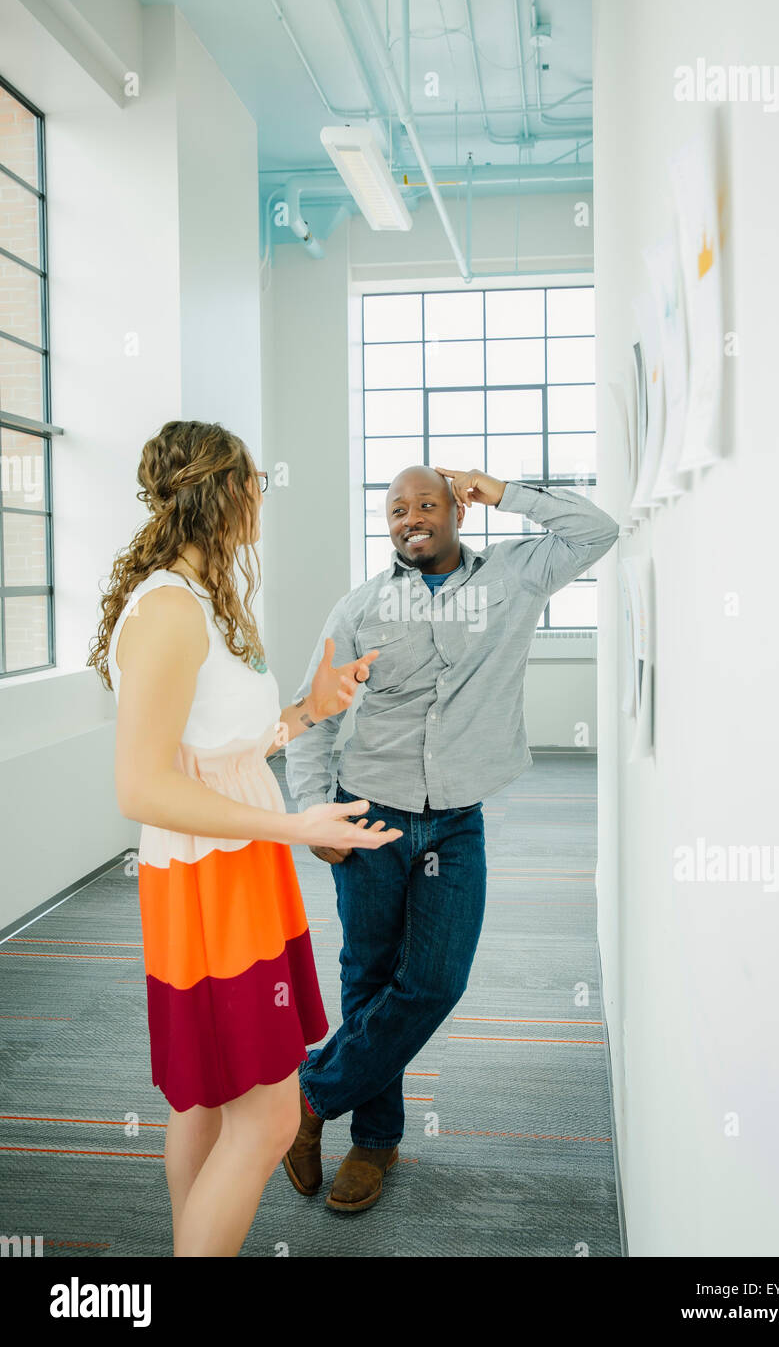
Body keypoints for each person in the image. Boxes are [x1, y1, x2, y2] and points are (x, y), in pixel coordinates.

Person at [87, 420, 403, 1257]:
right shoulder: (167, 610)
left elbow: (217, 752)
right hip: (211, 881)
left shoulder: (204, 600)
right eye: (255, 479)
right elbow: (143, 785)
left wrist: (307, 712)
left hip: (233, 869)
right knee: (264, 1119)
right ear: (220, 490)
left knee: (204, 1101)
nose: (263, 492)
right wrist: (293, 825)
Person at [283, 463, 619, 1213]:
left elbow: (597, 529)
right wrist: (311, 810)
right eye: (396, 509)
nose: (410, 517)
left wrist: (506, 492)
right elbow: (313, 714)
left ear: (456, 510)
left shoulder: (515, 576)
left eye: (426, 502)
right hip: (367, 813)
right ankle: (375, 1141)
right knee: (369, 977)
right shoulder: (361, 607)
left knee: (434, 981)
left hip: (455, 820)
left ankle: (308, 1097)